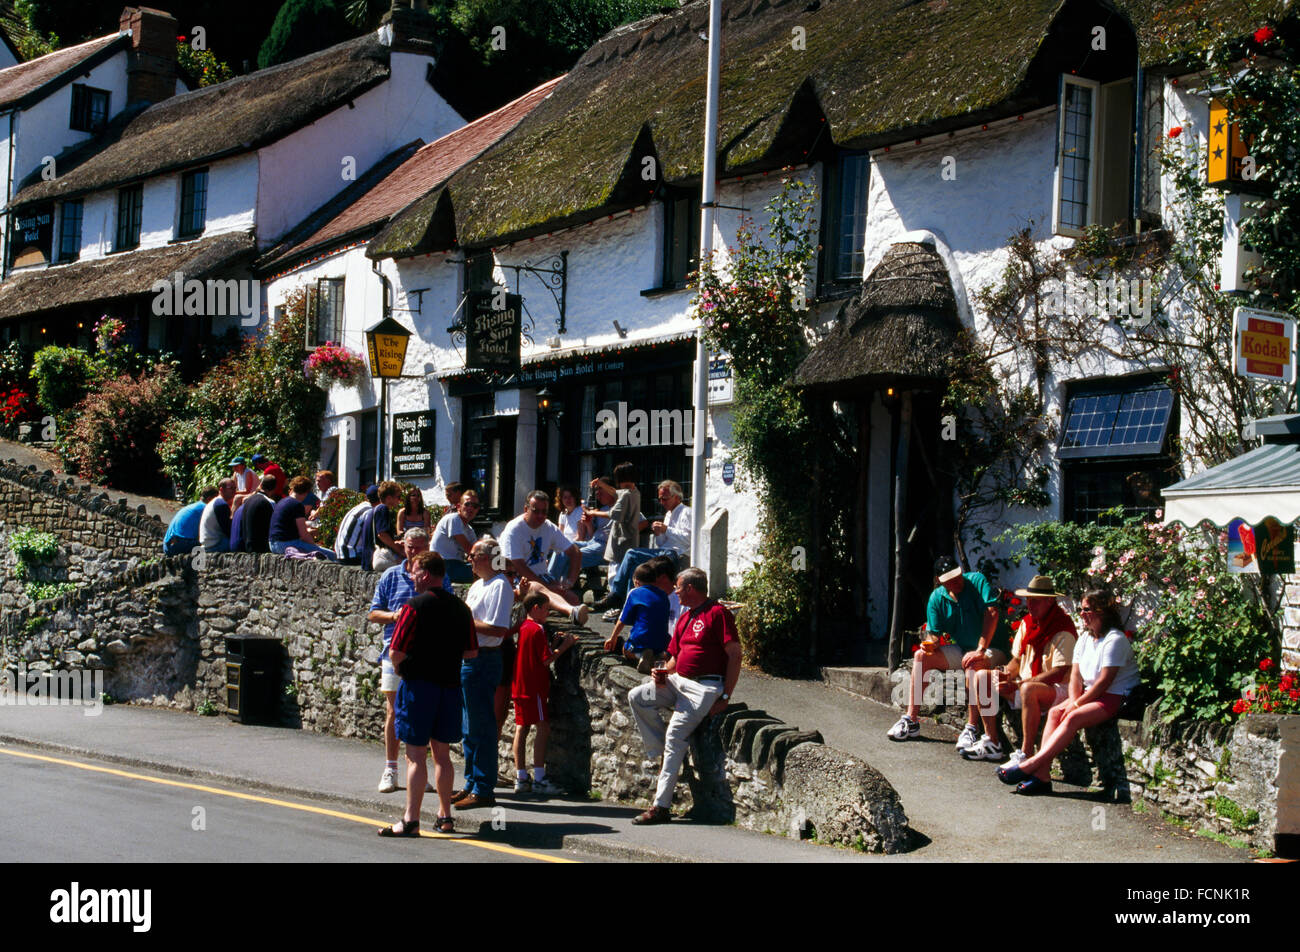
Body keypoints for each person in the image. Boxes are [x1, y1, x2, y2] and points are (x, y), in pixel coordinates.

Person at [998, 587, 1141, 795]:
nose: (1082, 614)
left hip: (1117, 695)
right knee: (1056, 712)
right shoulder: (1085, 638)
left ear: (1102, 612)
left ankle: (1031, 765)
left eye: (1087, 610)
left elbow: (1104, 682)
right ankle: (1042, 777)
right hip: (1090, 693)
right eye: (1081, 609)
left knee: (1073, 717)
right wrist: (1074, 700)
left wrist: (1076, 705)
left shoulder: (1115, 639)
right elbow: (1076, 675)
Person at [626, 567, 741, 825]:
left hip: (704, 687)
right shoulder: (685, 617)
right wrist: (663, 674)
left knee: (676, 736)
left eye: (678, 587)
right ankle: (660, 751)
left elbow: (735, 654)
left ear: (690, 588)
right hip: (679, 681)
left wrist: (725, 696)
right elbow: (675, 658)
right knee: (637, 696)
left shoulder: (717, 613)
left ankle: (661, 807)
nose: (675, 592)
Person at [377, 551, 477, 837]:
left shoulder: (413, 607)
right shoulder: (461, 608)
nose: (411, 576)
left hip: (419, 686)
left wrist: (404, 666)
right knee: (442, 755)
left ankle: (411, 820)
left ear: (425, 574)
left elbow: (395, 652)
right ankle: (445, 816)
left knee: (415, 756)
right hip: (449, 686)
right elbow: (471, 651)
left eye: (414, 571)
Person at [886, 556, 1011, 749]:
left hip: (993, 649)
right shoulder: (937, 598)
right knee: (921, 657)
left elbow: (992, 612)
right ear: (939, 581)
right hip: (964, 649)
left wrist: (981, 649)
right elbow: (934, 635)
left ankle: (972, 727)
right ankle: (911, 720)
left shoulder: (976, 580)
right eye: (950, 579)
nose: (957, 581)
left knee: (973, 661)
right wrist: (930, 644)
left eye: (958, 576)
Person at [962, 575, 1076, 763]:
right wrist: (1006, 674)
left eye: (1036, 601)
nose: (1030, 606)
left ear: (1050, 601)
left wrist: (1019, 684)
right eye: (1029, 600)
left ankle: (1026, 752)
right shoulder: (1028, 622)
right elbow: (1017, 659)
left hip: (1056, 689)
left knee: (1027, 689)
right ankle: (992, 742)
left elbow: (1059, 673)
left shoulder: (1063, 629)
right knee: (983, 676)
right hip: (1027, 682)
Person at [368, 529, 432, 793]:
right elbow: (373, 613)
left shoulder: (435, 577)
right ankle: (391, 769)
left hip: (425, 653)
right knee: (394, 712)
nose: (414, 552)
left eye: (419, 547)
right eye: (410, 547)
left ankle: (418, 771)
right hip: (394, 651)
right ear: (402, 547)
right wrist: (394, 617)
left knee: (422, 713)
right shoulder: (391, 575)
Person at [454, 537, 514, 810]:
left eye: (474, 555)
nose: (469, 559)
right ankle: (471, 782)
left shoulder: (501, 586)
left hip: (485, 659)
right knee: (469, 727)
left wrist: (464, 622)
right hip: (469, 658)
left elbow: (498, 629)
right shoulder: (478, 585)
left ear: (488, 558)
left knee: (482, 725)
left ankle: (483, 786)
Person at [511, 590, 577, 797]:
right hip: (535, 686)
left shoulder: (524, 627)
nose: (548, 613)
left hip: (521, 684)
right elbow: (546, 660)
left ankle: (521, 776)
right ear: (536, 608)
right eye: (547, 609)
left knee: (522, 728)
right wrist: (565, 645)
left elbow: (538, 653)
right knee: (543, 727)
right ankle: (539, 777)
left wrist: (553, 645)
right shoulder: (537, 629)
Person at [595, 477, 689, 617]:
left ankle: (616, 594)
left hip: (676, 555)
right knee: (635, 568)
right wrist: (659, 534)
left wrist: (666, 529)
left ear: (676, 497)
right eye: (660, 499)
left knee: (632, 553)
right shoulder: (669, 514)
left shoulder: (686, 512)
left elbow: (689, 539)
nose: (662, 502)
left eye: (665, 499)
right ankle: (629, 609)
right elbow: (662, 543)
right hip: (665, 552)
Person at [501, 490, 590, 626]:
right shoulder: (514, 529)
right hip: (517, 578)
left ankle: (569, 624)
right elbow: (518, 565)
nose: (541, 516)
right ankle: (572, 612)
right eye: (536, 511)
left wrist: (569, 582)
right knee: (538, 589)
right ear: (526, 509)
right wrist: (548, 587)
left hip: (543, 576)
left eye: (544, 512)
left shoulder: (548, 527)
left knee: (573, 598)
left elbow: (575, 552)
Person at [587, 463, 641, 609]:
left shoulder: (625, 496)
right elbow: (616, 492)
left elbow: (614, 514)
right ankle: (619, 606)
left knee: (614, 575)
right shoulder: (634, 492)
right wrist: (601, 484)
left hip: (620, 541)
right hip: (630, 540)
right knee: (624, 575)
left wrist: (593, 513)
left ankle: (615, 607)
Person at [604, 561, 670, 673]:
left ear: (636, 581)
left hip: (641, 638)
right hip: (662, 641)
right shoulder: (664, 595)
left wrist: (613, 637)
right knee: (655, 642)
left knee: (625, 650)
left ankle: (640, 656)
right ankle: (657, 657)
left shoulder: (635, 592)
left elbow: (622, 620)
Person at [269, 476, 337, 559]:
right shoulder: (297, 505)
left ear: (292, 488)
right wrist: (315, 547)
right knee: (333, 556)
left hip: (272, 544)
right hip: (286, 544)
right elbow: (304, 534)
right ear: (306, 492)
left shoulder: (282, 501)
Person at [549, 485, 607, 577]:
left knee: (562, 552)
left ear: (575, 497)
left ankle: (551, 580)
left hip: (577, 544)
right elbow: (560, 535)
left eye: (570, 497)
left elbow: (580, 537)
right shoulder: (563, 514)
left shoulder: (579, 511)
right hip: (566, 545)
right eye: (565, 497)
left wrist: (562, 544)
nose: (568, 500)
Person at [431, 489, 479, 585]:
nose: (470, 508)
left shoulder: (469, 530)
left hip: (456, 565)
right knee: (483, 573)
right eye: (467, 504)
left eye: (474, 506)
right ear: (458, 507)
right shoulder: (453, 518)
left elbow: (477, 550)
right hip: (441, 564)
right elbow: (470, 550)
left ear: (477, 510)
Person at [163, 487, 218, 555]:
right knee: (218, 544)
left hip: (168, 544)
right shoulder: (206, 509)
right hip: (180, 544)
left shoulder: (193, 506)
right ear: (210, 499)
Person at [235, 474, 277, 553]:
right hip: (261, 547)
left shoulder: (248, 500)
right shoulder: (269, 502)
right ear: (273, 489)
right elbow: (274, 525)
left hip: (248, 546)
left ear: (260, 485)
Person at [336, 485, 378, 563]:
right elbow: (371, 539)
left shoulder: (359, 507)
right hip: (352, 555)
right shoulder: (369, 511)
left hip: (341, 553)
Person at [370, 481, 405, 571]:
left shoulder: (376, 509)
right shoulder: (383, 508)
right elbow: (382, 534)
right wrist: (398, 549)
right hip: (383, 556)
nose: (399, 500)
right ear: (389, 498)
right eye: (398, 497)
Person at [198, 478, 237, 553]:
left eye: (235, 488)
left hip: (208, 543)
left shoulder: (216, 501)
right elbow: (229, 530)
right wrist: (235, 508)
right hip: (214, 545)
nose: (234, 491)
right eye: (231, 488)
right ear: (222, 489)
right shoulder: (221, 504)